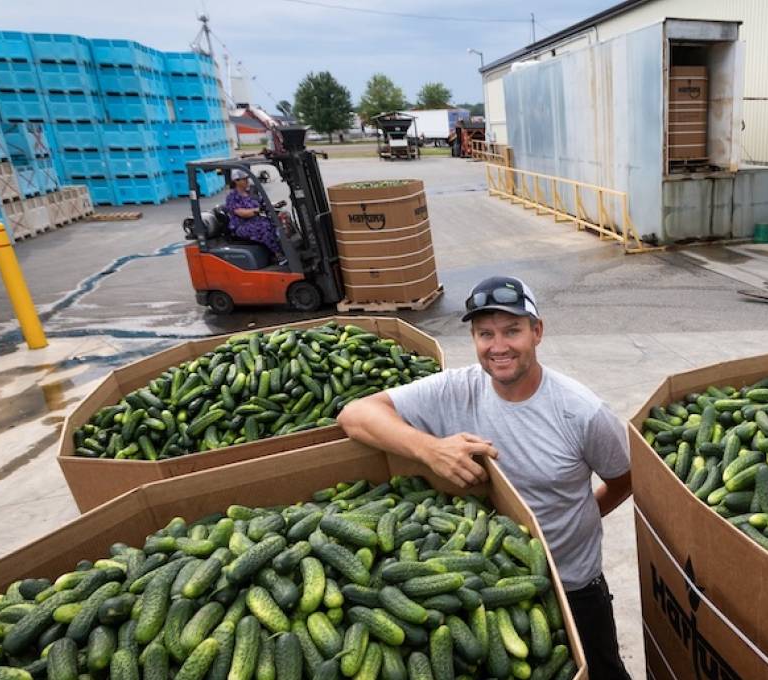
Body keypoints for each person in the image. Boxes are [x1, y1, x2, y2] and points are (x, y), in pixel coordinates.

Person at [338, 275, 634, 680]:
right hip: (485, 581)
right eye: (485, 334)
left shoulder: (583, 412)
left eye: (512, 330)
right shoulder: (455, 389)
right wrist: (430, 449)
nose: (498, 346)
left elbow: (624, 479)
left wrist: (578, 522)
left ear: (537, 332)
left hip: (572, 582)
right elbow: (354, 415)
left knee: (603, 672)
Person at [225, 168, 285, 263]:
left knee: (279, 220)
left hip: (255, 220)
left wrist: (275, 205)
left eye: (247, 178)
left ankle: (286, 248)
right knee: (264, 226)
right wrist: (257, 210)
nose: (247, 181)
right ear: (236, 181)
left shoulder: (251, 192)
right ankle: (278, 255)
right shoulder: (232, 196)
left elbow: (263, 203)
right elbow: (241, 212)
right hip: (241, 225)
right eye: (244, 179)